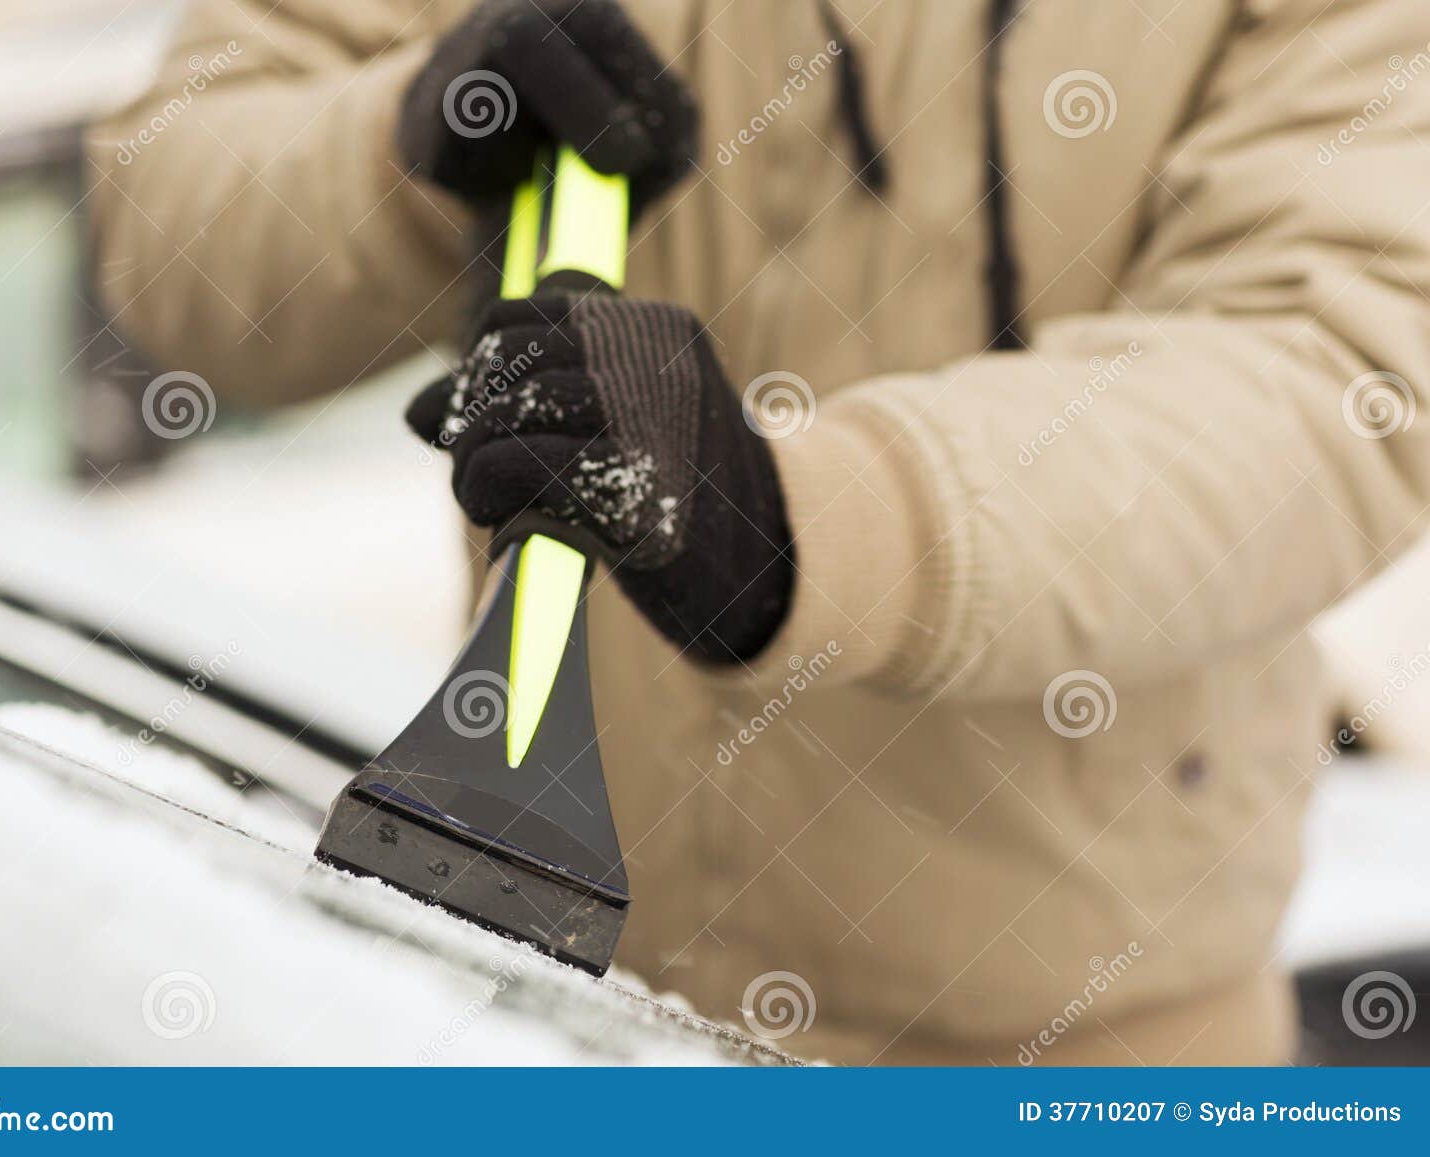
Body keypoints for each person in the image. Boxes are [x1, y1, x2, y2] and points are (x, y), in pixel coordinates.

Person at [87, 0, 1430, 1064]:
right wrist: (400, 146)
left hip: (1082, 1054)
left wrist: (817, 526)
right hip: (552, 1000)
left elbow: (1336, 367)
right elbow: (168, 251)